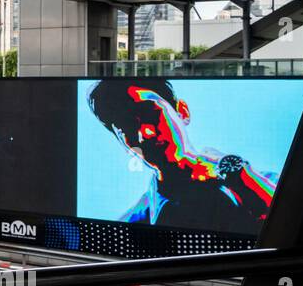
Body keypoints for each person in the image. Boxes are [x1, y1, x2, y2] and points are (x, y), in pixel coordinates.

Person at [86, 78, 276, 233]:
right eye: (127, 126)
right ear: (122, 143)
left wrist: (235, 173)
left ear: (182, 112)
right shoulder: (128, 227)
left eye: (149, 113)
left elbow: (294, 227)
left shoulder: (264, 183)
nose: (145, 134)